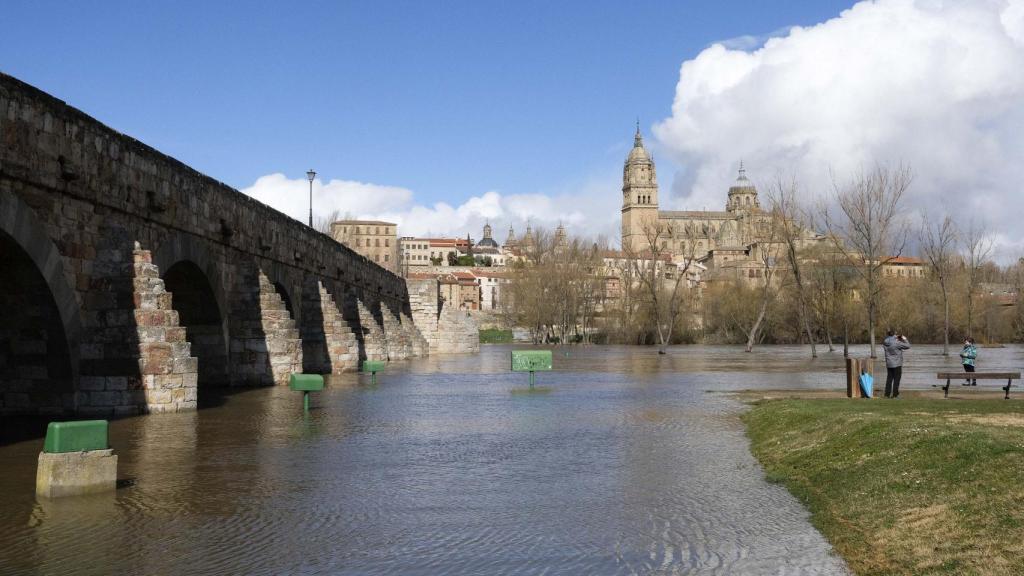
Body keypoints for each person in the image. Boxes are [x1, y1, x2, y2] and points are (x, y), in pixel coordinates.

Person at [883, 329, 911, 398]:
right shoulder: (897, 343)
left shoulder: (885, 342)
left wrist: (896, 338)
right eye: (895, 334)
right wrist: (904, 339)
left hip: (889, 363)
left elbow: (890, 340)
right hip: (897, 363)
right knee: (896, 380)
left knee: (889, 379)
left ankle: (887, 394)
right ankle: (895, 395)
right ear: (894, 334)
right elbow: (908, 346)